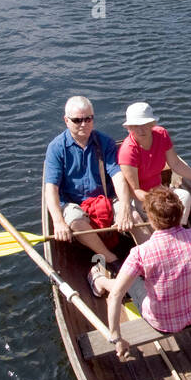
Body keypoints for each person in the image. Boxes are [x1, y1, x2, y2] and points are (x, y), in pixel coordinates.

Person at [97, 185, 191, 358]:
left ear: (151, 220)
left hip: (163, 323)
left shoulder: (141, 252)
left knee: (132, 282)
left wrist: (117, 338)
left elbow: (115, 296)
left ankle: (99, 280)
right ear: (181, 213)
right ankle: (101, 280)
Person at [44, 95, 134, 262]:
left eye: (88, 119)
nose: (84, 124)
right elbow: (51, 189)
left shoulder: (104, 142)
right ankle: (110, 258)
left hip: (104, 199)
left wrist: (125, 209)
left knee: (133, 216)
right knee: (76, 222)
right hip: (74, 203)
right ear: (66, 120)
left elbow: (117, 176)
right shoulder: (56, 148)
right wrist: (58, 221)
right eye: (77, 120)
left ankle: (151, 256)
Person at [118, 101, 191, 226]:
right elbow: (135, 190)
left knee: (185, 196)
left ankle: (177, 230)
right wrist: (157, 200)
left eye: (145, 124)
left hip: (160, 191)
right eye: (135, 126)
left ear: (152, 124)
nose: (141, 130)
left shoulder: (161, 134)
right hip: (141, 199)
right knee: (164, 212)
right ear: (129, 127)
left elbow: (175, 164)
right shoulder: (128, 151)